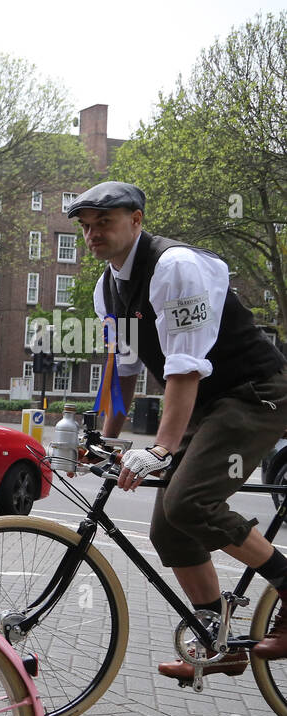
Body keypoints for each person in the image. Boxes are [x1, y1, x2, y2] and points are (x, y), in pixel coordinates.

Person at [70, 180, 287, 678]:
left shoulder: (175, 267)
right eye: (86, 226)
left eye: (104, 221)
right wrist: (105, 439)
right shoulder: (109, 287)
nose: (93, 234)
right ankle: (222, 642)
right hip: (208, 404)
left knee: (191, 502)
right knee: (171, 528)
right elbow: (122, 370)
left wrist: (161, 448)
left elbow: (183, 368)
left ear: (137, 220)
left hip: (256, 391)